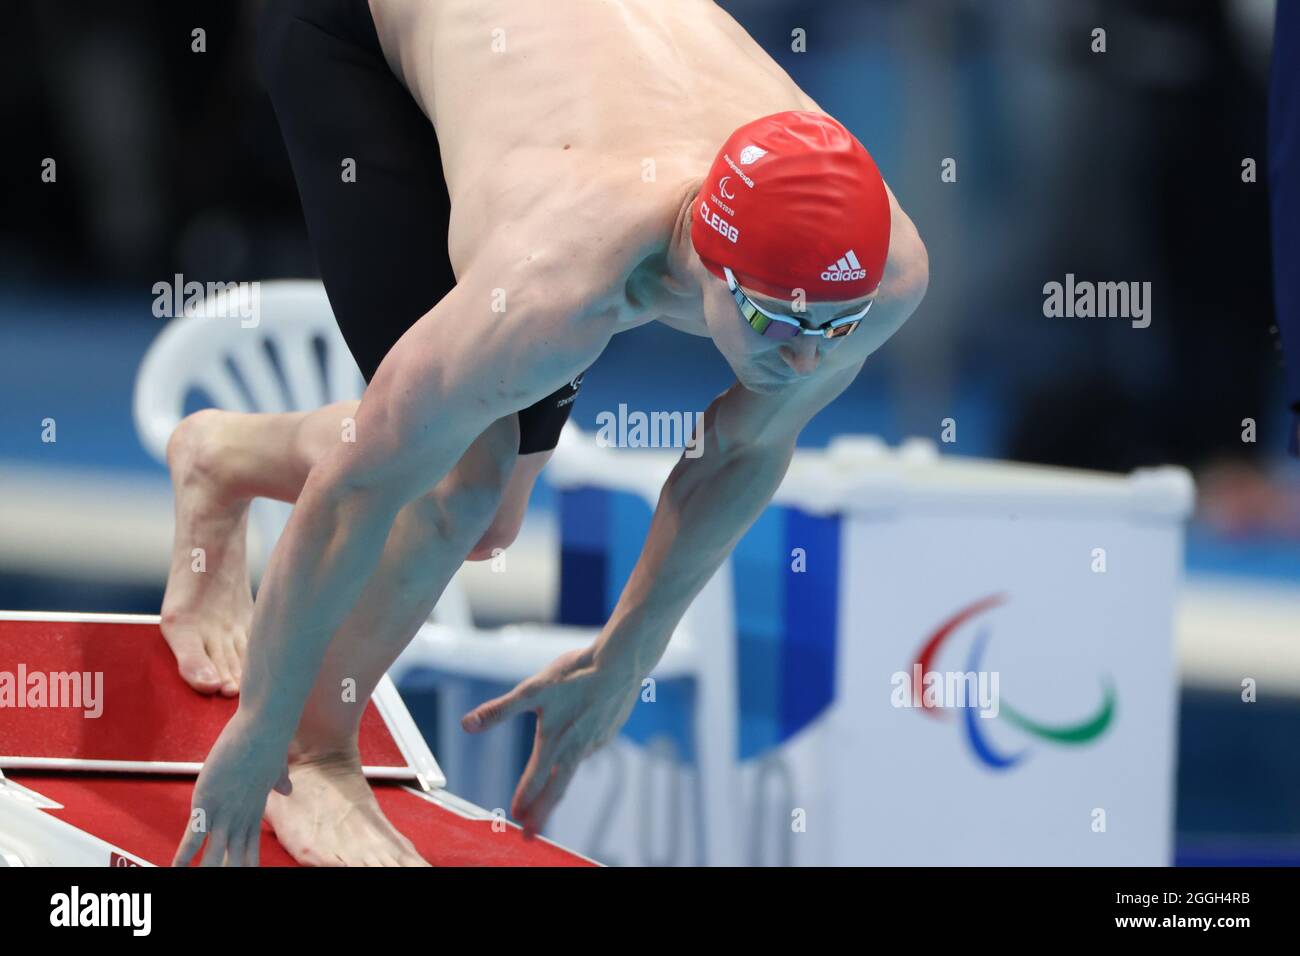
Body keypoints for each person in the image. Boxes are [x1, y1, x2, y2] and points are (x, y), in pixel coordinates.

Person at [170, 0, 928, 866]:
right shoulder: (554, 280)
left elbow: (746, 447)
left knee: (483, 513)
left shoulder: (879, 275)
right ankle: (320, 755)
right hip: (351, 31)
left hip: (550, 71)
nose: (803, 362)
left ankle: (219, 456)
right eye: (776, 324)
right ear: (711, 260)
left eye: (833, 331)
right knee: (462, 478)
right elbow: (356, 488)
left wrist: (622, 655)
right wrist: (263, 728)